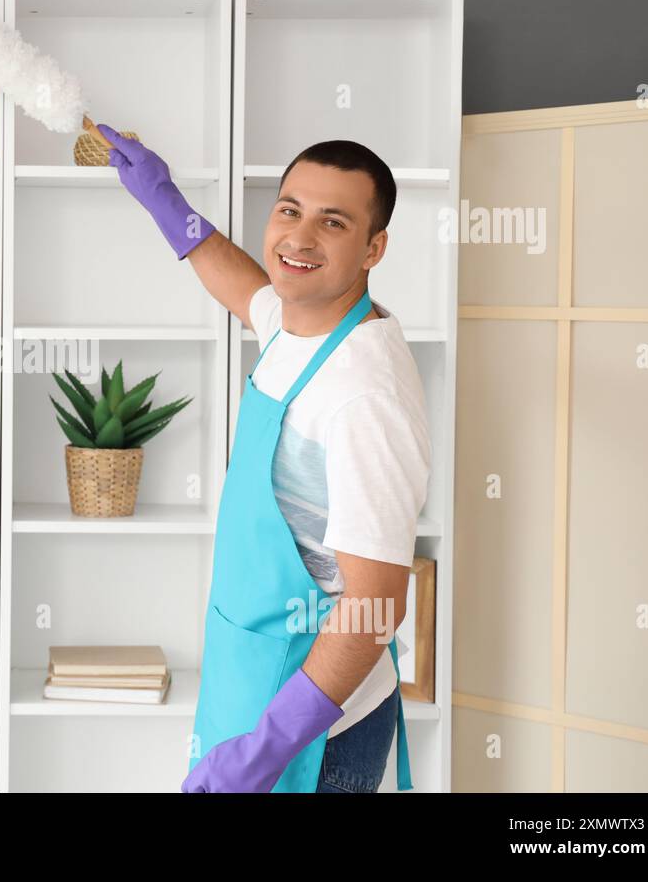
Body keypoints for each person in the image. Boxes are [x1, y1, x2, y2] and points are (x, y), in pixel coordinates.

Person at [96, 124, 429, 793]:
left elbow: (374, 607)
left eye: (332, 222)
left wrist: (267, 748)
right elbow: (244, 286)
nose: (300, 239)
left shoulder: (366, 396)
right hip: (253, 677)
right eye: (289, 211)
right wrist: (164, 201)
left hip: (316, 726)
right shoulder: (297, 321)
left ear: (374, 248)